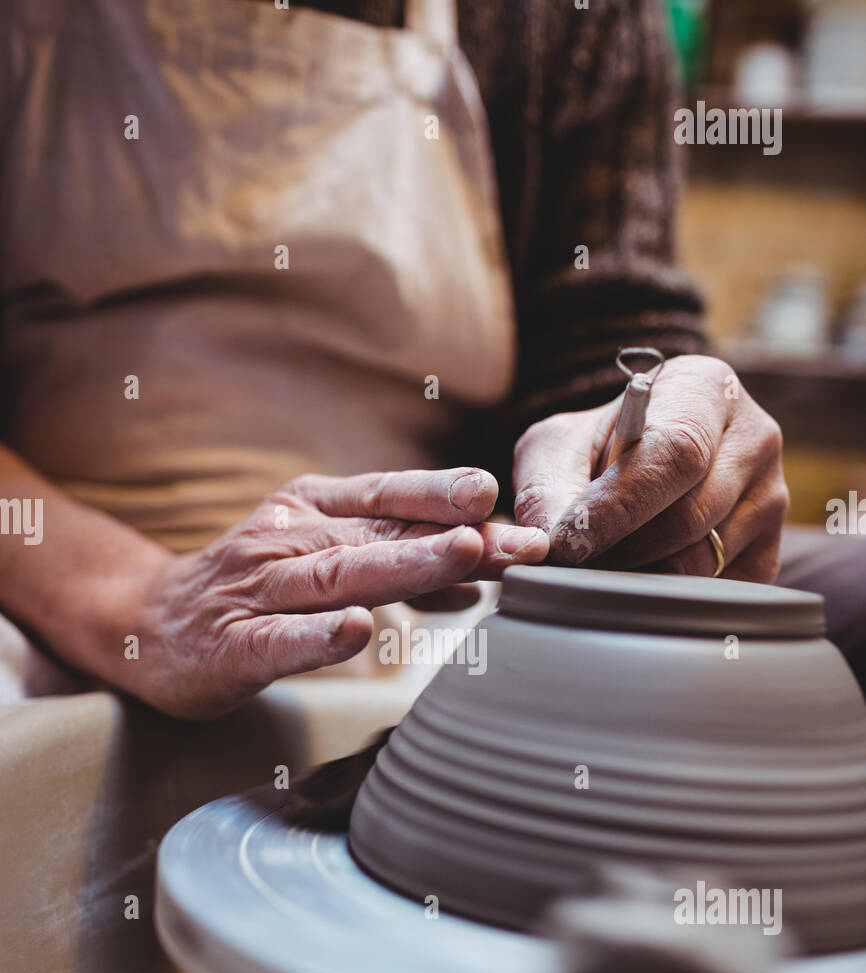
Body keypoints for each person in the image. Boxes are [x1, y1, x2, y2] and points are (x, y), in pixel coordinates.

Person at [0, 0, 858, 716]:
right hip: (55, 591)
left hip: (437, 587)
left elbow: (607, 327)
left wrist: (654, 448)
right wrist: (139, 603)